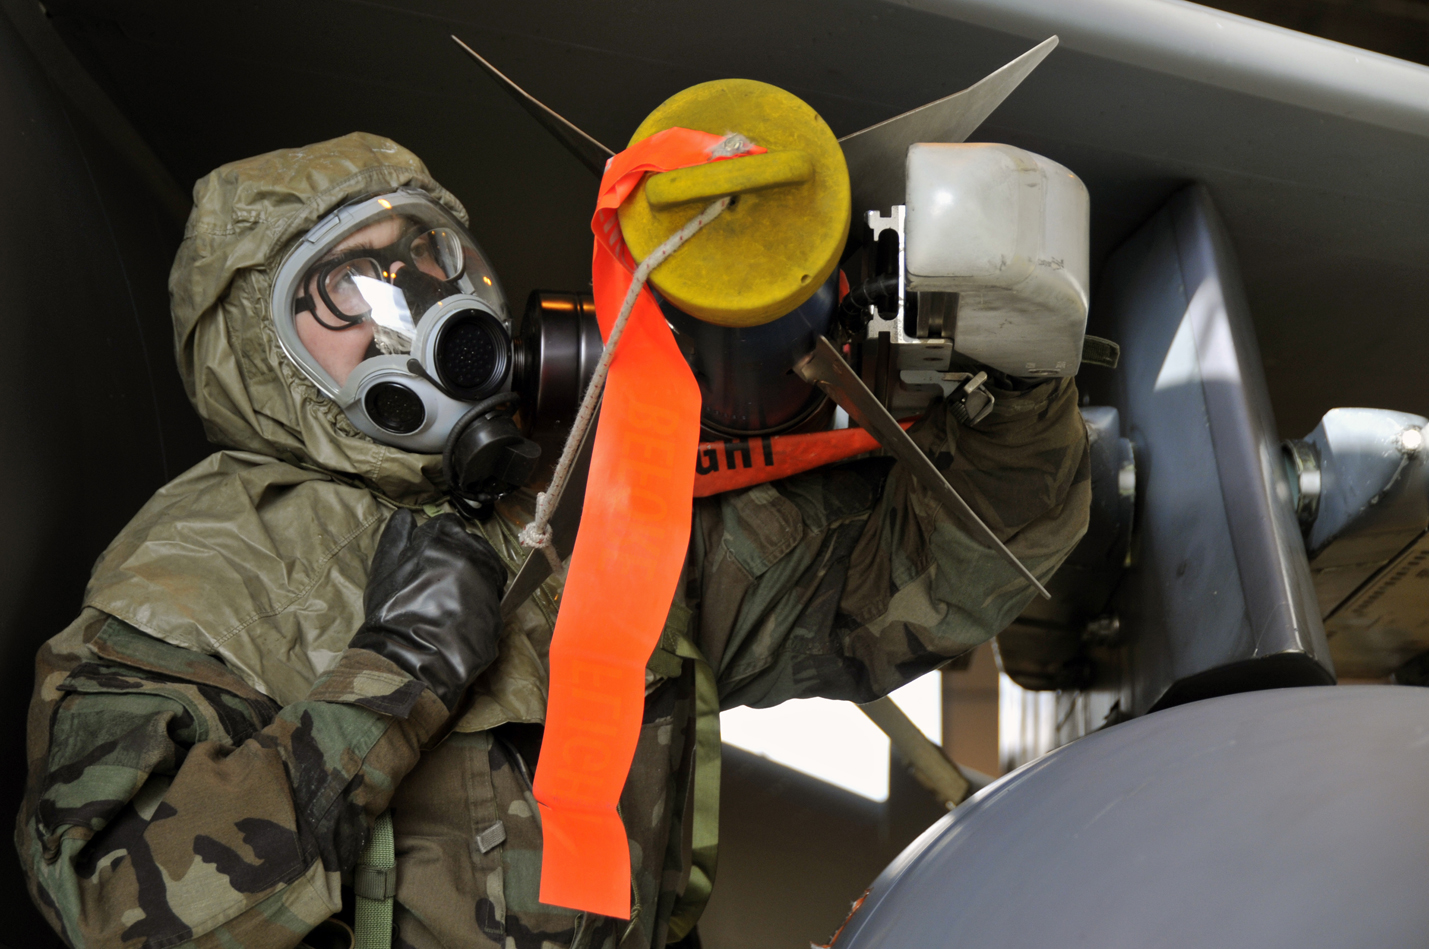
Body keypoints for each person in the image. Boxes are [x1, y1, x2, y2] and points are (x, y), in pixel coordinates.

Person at [16, 132, 1090, 949]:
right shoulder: (199, 573)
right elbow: (113, 912)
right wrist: (395, 676)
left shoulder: (582, 509)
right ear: (261, 355)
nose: (417, 300)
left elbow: (927, 578)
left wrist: (1019, 383)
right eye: (348, 284)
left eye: (429, 254)